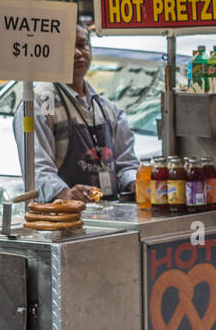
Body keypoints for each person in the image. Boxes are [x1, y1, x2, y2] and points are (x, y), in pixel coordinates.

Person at [13, 24, 138, 203]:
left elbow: (127, 164)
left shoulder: (108, 109)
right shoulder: (40, 104)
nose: (77, 53)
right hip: (60, 220)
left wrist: (134, 182)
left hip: (111, 216)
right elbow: (37, 171)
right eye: (66, 47)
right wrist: (66, 194)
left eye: (82, 44)